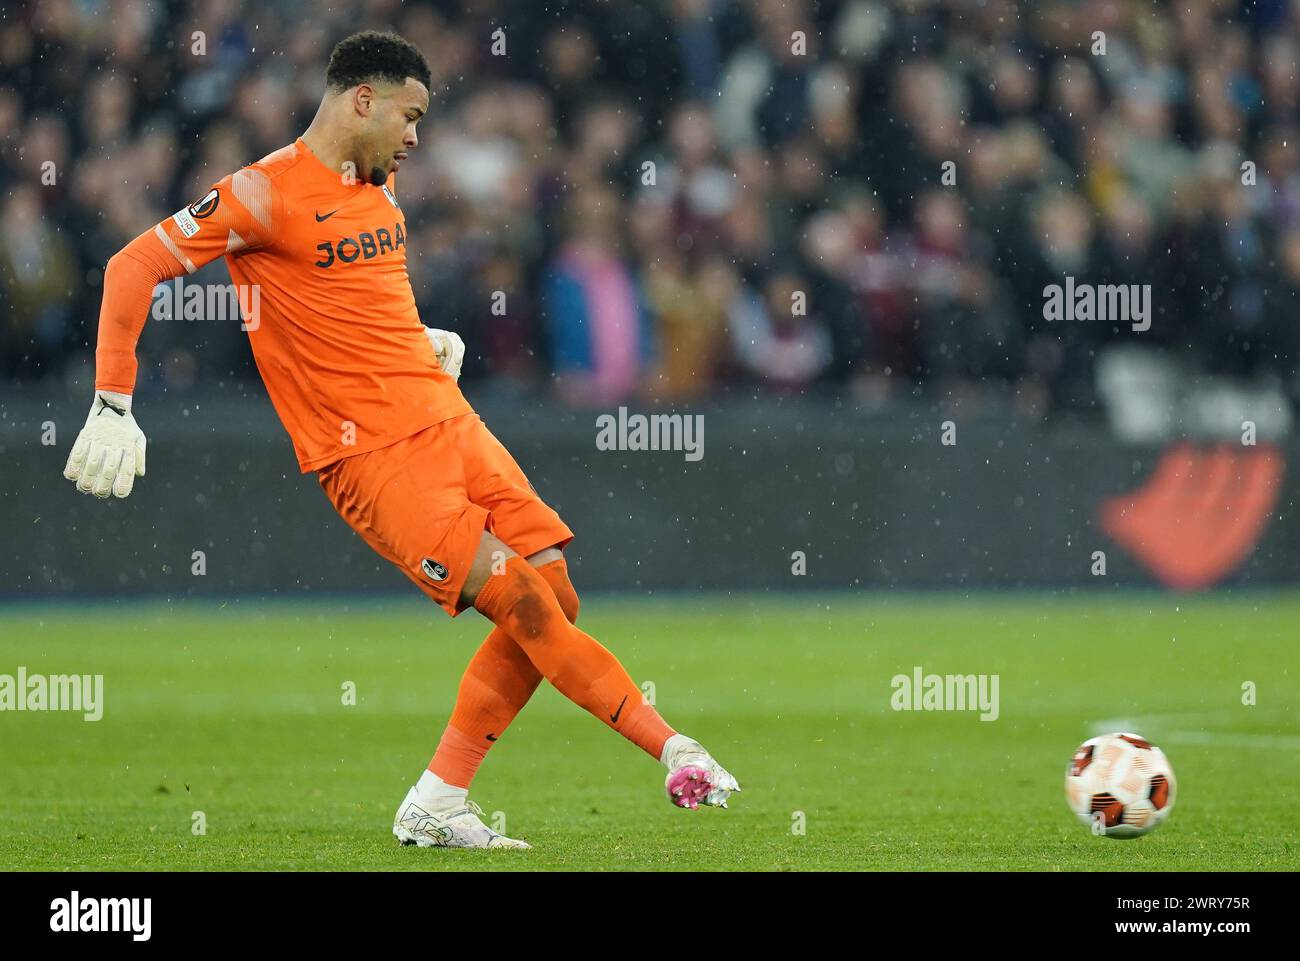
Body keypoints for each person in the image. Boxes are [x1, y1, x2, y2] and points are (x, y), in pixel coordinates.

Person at [61, 30, 738, 850]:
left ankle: (437, 799)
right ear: (363, 100)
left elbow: (358, 301)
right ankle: (671, 746)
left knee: (555, 593)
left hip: (449, 420)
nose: (417, 137)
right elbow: (132, 267)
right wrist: (112, 401)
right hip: (373, 459)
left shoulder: (381, 192)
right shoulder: (261, 192)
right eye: (410, 117)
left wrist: (423, 340)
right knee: (520, 600)